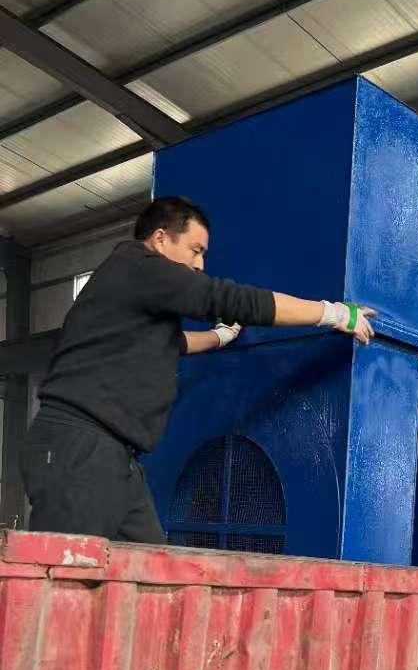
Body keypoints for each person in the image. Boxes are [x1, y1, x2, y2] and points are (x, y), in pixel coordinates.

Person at [20, 195, 375, 544]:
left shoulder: (133, 289)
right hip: (79, 446)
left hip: (116, 456)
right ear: (160, 239)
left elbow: (173, 343)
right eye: (195, 250)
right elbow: (232, 300)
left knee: (150, 570)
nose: (200, 264)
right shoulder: (137, 265)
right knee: (67, 572)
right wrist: (334, 313)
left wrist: (220, 337)